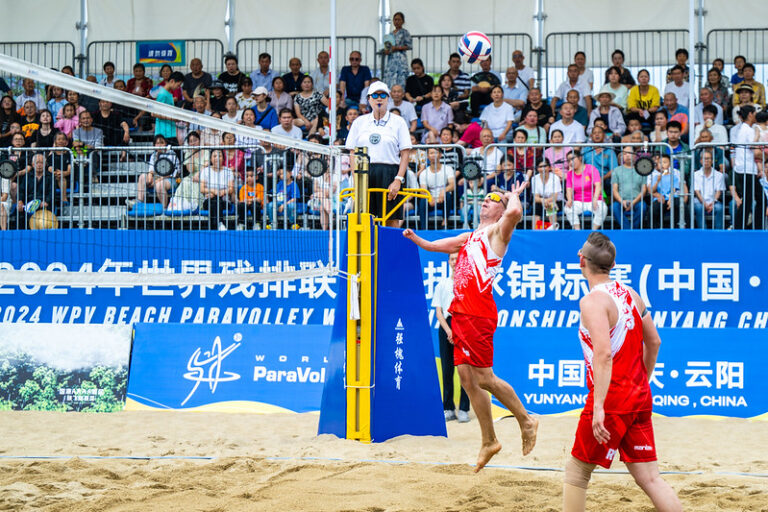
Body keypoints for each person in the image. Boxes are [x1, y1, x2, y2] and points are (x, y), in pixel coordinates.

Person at [402, 183, 538, 472]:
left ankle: (526, 420)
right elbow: (436, 246)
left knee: (485, 378)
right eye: (485, 198)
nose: (486, 200)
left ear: (501, 210)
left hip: (478, 314)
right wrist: (415, 238)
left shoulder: (498, 232)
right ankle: (489, 440)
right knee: (466, 378)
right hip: (460, 314)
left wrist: (513, 194)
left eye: (493, 199)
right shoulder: (470, 236)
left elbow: (515, 212)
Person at [563, 232, 682, 512]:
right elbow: (654, 342)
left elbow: (603, 354)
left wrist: (599, 406)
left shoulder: (592, 302)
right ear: (612, 265)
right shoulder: (631, 294)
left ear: (581, 260)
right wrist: (641, 382)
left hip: (612, 397)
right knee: (650, 478)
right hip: (638, 394)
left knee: (577, 471)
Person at [344, 82, 412, 228]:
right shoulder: (359, 122)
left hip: (390, 172)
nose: (379, 98)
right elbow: (352, 153)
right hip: (364, 173)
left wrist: (398, 179)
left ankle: (391, 244)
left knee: (391, 218)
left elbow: (405, 153)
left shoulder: (398, 122)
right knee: (365, 218)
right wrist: (356, 178)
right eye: (375, 95)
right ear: (369, 99)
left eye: (383, 95)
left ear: (388, 98)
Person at [432, 252, 471, 423]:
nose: (455, 262)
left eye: (458, 259)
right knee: (447, 370)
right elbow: (438, 312)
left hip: (464, 327)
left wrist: (459, 332)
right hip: (446, 327)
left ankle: (464, 409)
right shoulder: (442, 284)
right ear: (449, 261)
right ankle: (448, 408)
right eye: (452, 259)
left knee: (465, 370)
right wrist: (449, 331)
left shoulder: (468, 284)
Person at [731, 106, 764, 230]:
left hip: (745, 168)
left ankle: (745, 226)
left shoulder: (743, 129)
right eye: (755, 113)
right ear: (750, 114)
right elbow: (753, 147)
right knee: (755, 199)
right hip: (747, 169)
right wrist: (757, 135)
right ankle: (746, 226)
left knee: (753, 199)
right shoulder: (748, 130)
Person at [132, 134, 181, 208]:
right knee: (142, 177)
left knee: (159, 185)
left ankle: (164, 209)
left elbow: (173, 173)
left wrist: (156, 182)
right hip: (157, 178)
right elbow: (151, 170)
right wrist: (149, 179)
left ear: (165, 144)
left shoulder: (171, 154)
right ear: (154, 145)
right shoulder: (153, 155)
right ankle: (139, 202)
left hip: (171, 179)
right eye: (157, 143)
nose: (160, 145)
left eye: (162, 143)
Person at [564, 150, 607, 230]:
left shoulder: (591, 169)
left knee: (602, 209)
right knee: (568, 208)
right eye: (568, 160)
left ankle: (593, 231)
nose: (570, 162)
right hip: (579, 201)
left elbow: (598, 185)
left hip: (594, 200)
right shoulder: (570, 174)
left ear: (580, 158)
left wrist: (595, 199)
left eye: (572, 159)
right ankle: (577, 231)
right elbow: (568, 189)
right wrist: (569, 199)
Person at [611, 146, 647, 229]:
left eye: (629, 153)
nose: (627, 155)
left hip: (637, 200)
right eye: (624, 154)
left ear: (635, 155)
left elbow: (644, 190)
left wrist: (634, 202)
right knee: (614, 207)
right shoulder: (616, 170)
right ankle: (627, 229)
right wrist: (621, 201)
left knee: (642, 207)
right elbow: (614, 190)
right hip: (621, 200)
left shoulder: (641, 170)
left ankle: (633, 229)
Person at [649, 153, 688, 228]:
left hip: (673, 197)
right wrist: (657, 181)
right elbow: (652, 190)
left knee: (679, 205)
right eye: (660, 163)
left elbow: (674, 189)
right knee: (654, 208)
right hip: (661, 198)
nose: (662, 165)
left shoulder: (674, 176)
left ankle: (679, 228)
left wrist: (670, 199)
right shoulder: (656, 177)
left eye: (665, 162)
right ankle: (654, 229)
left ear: (669, 164)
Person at [200, 149, 235, 230]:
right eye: (214, 156)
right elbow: (202, 189)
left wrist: (222, 192)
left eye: (219, 156)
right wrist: (214, 191)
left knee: (216, 201)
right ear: (211, 159)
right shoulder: (205, 171)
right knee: (214, 201)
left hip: (224, 201)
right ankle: (220, 224)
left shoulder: (228, 171)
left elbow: (231, 189)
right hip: (208, 201)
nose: (217, 158)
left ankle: (213, 227)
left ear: (223, 158)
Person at [693, 150, 726, 229]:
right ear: (700, 161)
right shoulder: (695, 174)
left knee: (720, 208)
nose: (706, 161)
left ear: (712, 161)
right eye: (704, 159)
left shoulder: (719, 175)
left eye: (708, 159)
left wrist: (713, 202)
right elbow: (696, 191)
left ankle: (718, 232)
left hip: (713, 201)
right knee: (699, 207)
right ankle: (703, 231)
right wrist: (704, 203)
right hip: (699, 201)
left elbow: (719, 191)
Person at [152, 71, 184, 144]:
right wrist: (173, 118)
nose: (178, 87)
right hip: (164, 133)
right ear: (172, 81)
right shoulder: (162, 94)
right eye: (178, 85)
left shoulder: (169, 94)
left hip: (170, 131)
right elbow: (154, 113)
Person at [382, 11, 412, 88]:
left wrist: (397, 48)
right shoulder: (390, 34)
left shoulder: (405, 32)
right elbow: (387, 47)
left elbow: (409, 46)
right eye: (395, 20)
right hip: (391, 59)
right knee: (390, 78)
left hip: (401, 59)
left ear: (403, 21)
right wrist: (387, 50)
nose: (397, 21)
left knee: (401, 78)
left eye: (399, 20)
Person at [531, 158, 562, 229]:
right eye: (540, 167)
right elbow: (536, 198)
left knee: (551, 205)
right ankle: (536, 231)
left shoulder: (555, 178)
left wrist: (546, 201)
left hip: (557, 202)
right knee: (536, 207)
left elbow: (554, 198)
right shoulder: (534, 179)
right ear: (537, 168)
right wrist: (543, 201)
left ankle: (552, 230)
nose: (543, 169)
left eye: (545, 166)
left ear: (549, 167)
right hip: (541, 201)